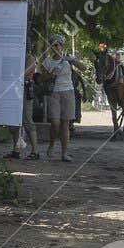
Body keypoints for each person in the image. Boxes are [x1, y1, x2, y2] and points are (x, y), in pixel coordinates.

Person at [41, 35, 84, 163]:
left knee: (65, 123)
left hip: (68, 91)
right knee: (55, 123)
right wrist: (52, 73)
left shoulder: (68, 58)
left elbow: (83, 68)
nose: (55, 47)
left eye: (57, 45)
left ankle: (64, 153)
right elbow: (42, 78)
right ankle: (52, 144)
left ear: (61, 46)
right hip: (53, 93)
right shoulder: (48, 61)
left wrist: (72, 60)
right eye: (52, 45)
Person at [11, 62, 40, 160]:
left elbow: (24, 72)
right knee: (13, 120)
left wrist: (13, 75)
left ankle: (35, 151)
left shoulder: (29, 58)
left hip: (26, 91)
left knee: (27, 120)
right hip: (14, 89)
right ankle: (16, 150)